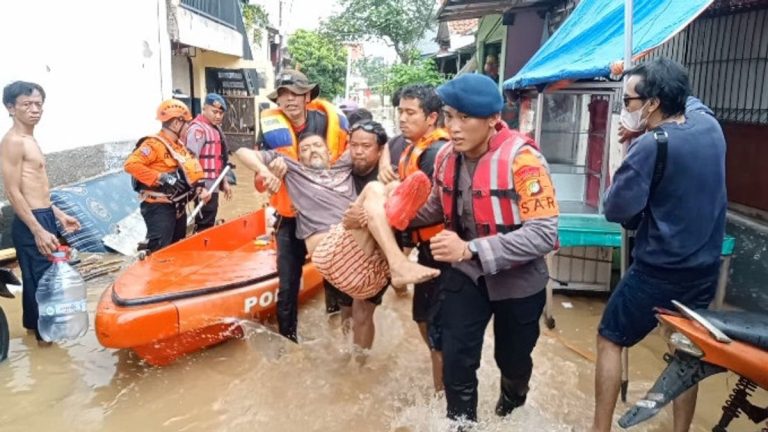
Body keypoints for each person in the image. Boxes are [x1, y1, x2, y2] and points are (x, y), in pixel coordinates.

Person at [411, 73, 559, 423]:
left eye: (465, 118)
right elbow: (434, 205)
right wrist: (392, 211)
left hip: (518, 282)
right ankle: (461, 425)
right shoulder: (447, 158)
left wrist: (470, 249)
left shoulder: (523, 161)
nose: (454, 127)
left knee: (513, 360)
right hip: (467, 277)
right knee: (456, 356)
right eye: (450, 116)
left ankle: (511, 402)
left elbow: (543, 234)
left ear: (493, 120)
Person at [591, 58, 727, 432]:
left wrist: (635, 147)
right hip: (704, 267)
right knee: (686, 350)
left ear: (652, 104)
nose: (627, 110)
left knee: (609, 338)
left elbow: (616, 209)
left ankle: (599, 428)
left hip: (658, 271)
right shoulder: (709, 125)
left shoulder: (651, 147)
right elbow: (689, 101)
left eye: (630, 102)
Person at [235, 136, 440, 338]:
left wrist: (385, 164)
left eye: (317, 145)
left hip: (366, 264)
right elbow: (241, 151)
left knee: (391, 187)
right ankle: (399, 261)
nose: (312, 150)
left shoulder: (343, 166)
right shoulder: (293, 170)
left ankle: (359, 367)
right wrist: (263, 170)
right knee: (373, 188)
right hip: (330, 253)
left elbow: (379, 143)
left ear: (330, 153)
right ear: (298, 156)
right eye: (305, 149)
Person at [257, 69, 349, 342]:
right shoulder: (270, 131)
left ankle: (340, 335)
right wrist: (268, 174)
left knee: (336, 276)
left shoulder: (326, 123)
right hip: (290, 216)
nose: (289, 100)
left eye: (295, 93)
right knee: (287, 285)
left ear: (307, 95)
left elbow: (350, 163)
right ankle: (289, 344)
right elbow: (258, 183)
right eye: (283, 95)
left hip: (324, 215)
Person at [382, 84, 450, 393]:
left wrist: (385, 216)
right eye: (400, 112)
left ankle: (443, 401)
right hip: (425, 248)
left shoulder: (435, 152)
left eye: (411, 113)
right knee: (422, 317)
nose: (402, 119)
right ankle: (441, 375)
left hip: (442, 252)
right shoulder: (411, 147)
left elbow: (434, 208)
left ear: (432, 117)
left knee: (436, 327)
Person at [0, 81, 81, 343]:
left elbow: (35, 187)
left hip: (43, 215)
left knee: (44, 281)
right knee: (41, 284)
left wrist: (57, 214)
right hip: (30, 222)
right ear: (11, 108)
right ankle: (46, 342)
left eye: (38, 104)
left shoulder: (30, 139)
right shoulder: (13, 142)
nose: (35, 109)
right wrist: (37, 229)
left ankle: (38, 332)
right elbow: (13, 192)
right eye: (27, 104)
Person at [322, 120, 389, 363]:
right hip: (343, 250)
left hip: (374, 254)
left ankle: (359, 367)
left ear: (380, 150)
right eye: (354, 145)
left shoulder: (386, 177)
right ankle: (344, 353)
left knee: (363, 312)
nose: (359, 151)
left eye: (366, 146)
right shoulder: (341, 169)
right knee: (345, 309)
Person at [124, 99, 208, 252]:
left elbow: (190, 170)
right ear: (176, 123)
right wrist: (161, 177)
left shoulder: (179, 146)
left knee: (178, 250)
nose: (189, 127)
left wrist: (200, 188)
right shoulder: (153, 145)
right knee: (160, 252)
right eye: (187, 123)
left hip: (179, 208)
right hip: (159, 208)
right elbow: (131, 165)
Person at [185, 93, 232, 232]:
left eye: (220, 113)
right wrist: (199, 188)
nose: (218, 116)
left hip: (214, 184)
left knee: (210, 217)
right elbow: (191, 160)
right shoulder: (198, 129)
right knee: (204, 222)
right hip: (203, 185)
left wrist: (224, 181)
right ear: (204, 108)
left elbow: (220, 159)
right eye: (214, 111)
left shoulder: (215, 129)